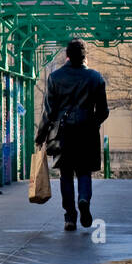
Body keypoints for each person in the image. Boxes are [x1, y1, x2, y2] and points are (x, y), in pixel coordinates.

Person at [35, 39, 109, 232]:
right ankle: (83, 199)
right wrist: (93, 123)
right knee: (84, 171)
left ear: (67, 56)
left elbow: (49, 111)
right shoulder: (95, 78)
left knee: (65, 174)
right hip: (87, 131)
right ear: (85, 56)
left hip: (63, 132)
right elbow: (103, 111)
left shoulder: (55, 77)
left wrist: (41, 135)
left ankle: (70, 217)